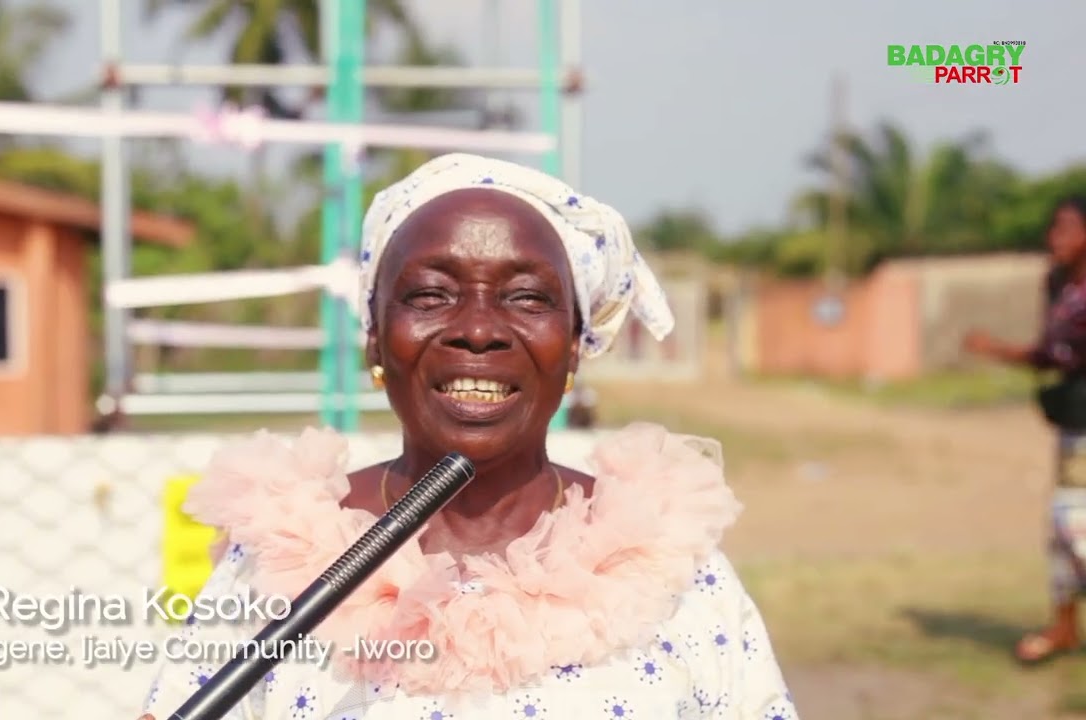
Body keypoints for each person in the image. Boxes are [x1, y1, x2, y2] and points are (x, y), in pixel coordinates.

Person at [138, 154, 795, 718]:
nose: (477, 329)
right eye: (429, 296)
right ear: (375, 335)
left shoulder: (662, 572)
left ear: (573, 346)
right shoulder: (282, 566)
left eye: (528, 299)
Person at [963, 195, 1086, 665]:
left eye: (1068, 228)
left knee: (1072, 522)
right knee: (1060, 532)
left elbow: (1054, 355)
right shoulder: (1058, 285)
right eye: (1053, 229)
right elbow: (1049, 353)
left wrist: (994, 349)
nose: (1056, 239)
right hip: (1073, 421)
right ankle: (1065, 626)